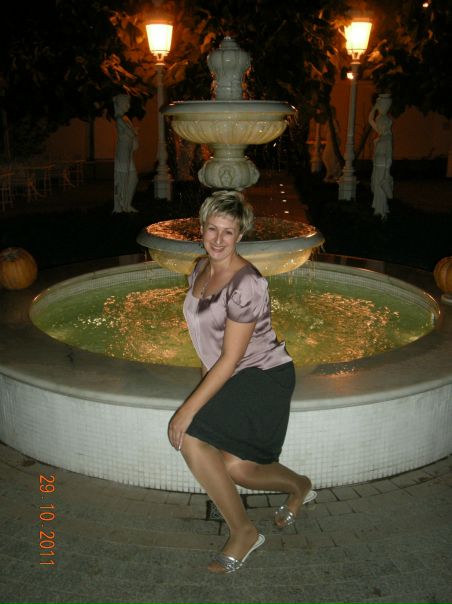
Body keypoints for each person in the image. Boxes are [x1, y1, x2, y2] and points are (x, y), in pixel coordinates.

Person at [168, 190, 316, 574]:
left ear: (240, 235)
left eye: (228, 232)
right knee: (240, 470)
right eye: (212, 229)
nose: (218, 240)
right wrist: (202, 395)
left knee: (192, 438)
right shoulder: (200, 268)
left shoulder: (246, 283)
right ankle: (299, 485)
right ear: (201, 228)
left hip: (262, 375)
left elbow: (231, 358)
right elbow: (208, 347)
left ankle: (244, 532)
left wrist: (186, 411)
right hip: (231, 375)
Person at [369, 94, 393, 218]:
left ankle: (382, 211)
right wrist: (375, 107)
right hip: (377, 164)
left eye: (380, 124)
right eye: (378, 124)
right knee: (376, 187)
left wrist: (387, 172)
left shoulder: (387, 138)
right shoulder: (380, 136)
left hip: (383, 166)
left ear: (385, 125)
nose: (378, 126)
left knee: (380, 188)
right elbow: (370, 120)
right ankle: (377, 210)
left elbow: (389, 156)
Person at [113, 94, 138, 213]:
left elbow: (132, 133)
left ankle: (127, 204)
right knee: (122, 178)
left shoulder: (125, 118)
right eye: (126, 103)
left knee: (133, 178)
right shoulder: (119, 118)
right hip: (123, 151)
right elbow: (131, 133)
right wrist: (134, 131)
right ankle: (121, 207)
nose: (128, 105)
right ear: (121, 104)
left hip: (128, 150)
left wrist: (133, 132)